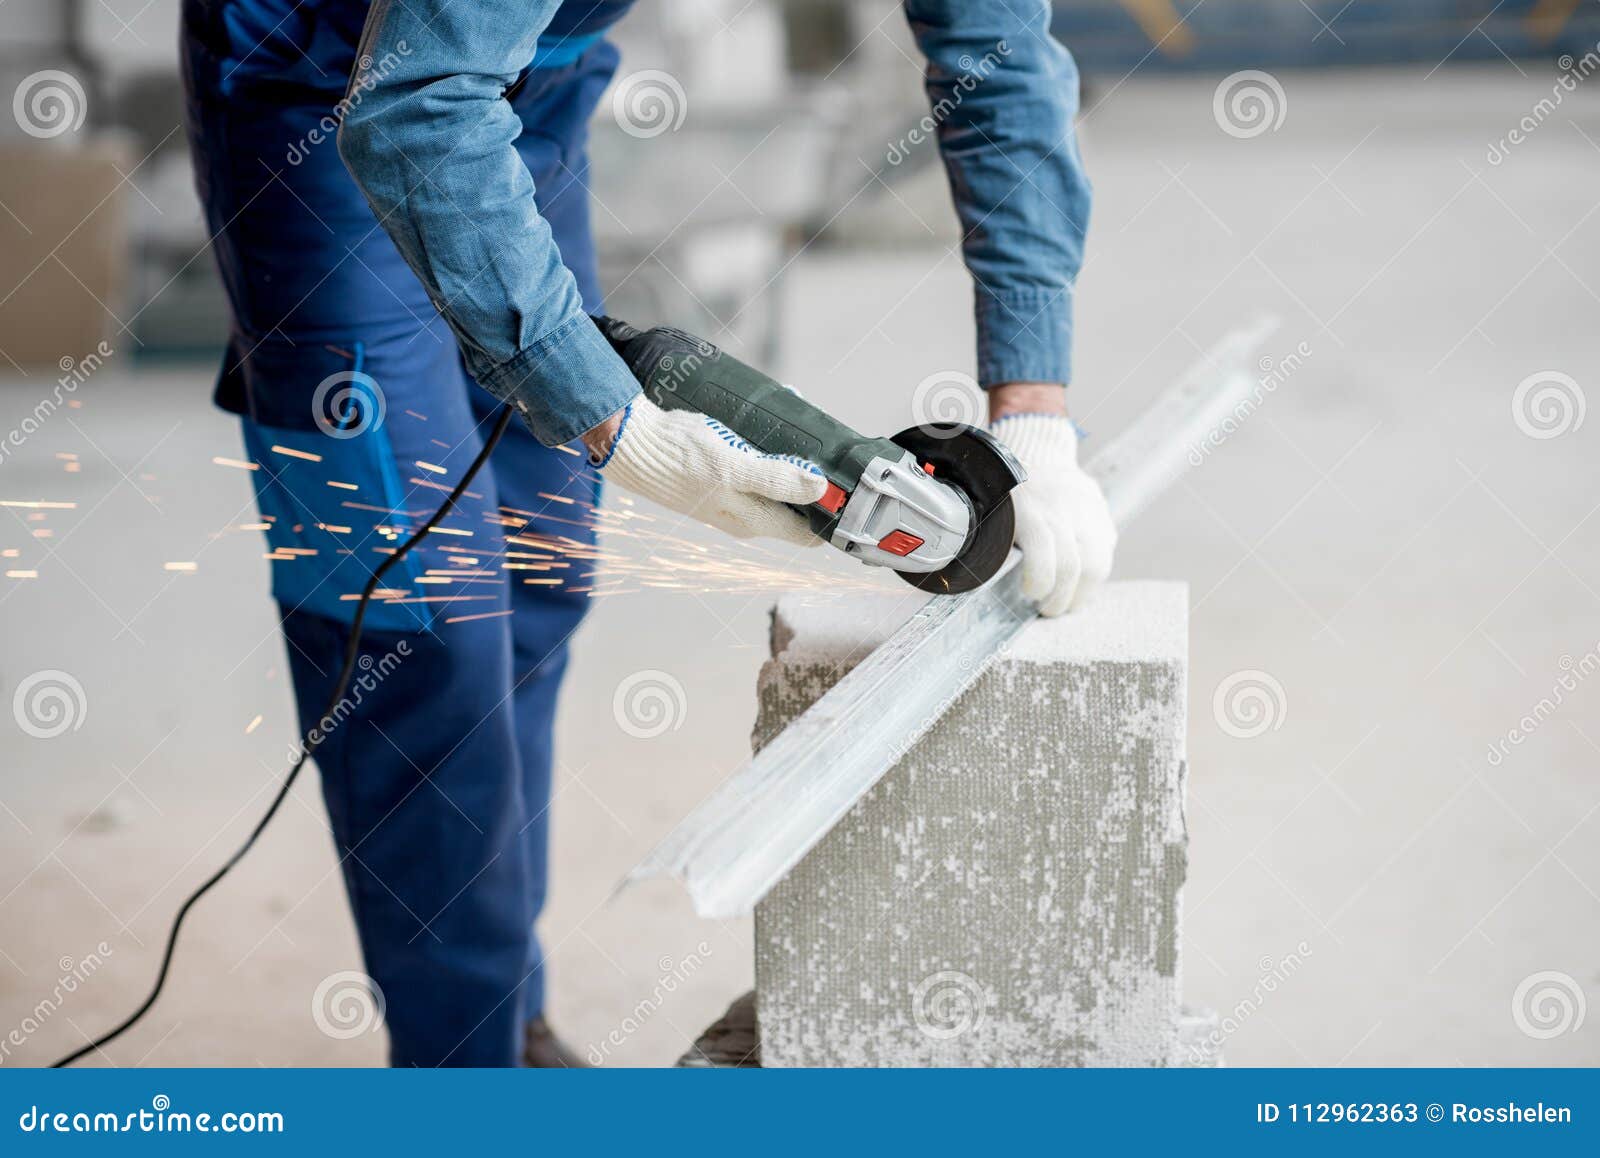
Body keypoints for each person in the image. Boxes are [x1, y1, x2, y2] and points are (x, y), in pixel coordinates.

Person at [180, 0, 1114, 1068]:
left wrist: (1032, 413)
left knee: (540, 564)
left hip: (528, 74)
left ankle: (501, 1015)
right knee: (419, 616)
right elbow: (416, 102)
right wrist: (620, 425)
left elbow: (995, 57)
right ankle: (461, 1068)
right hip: (328, 83)